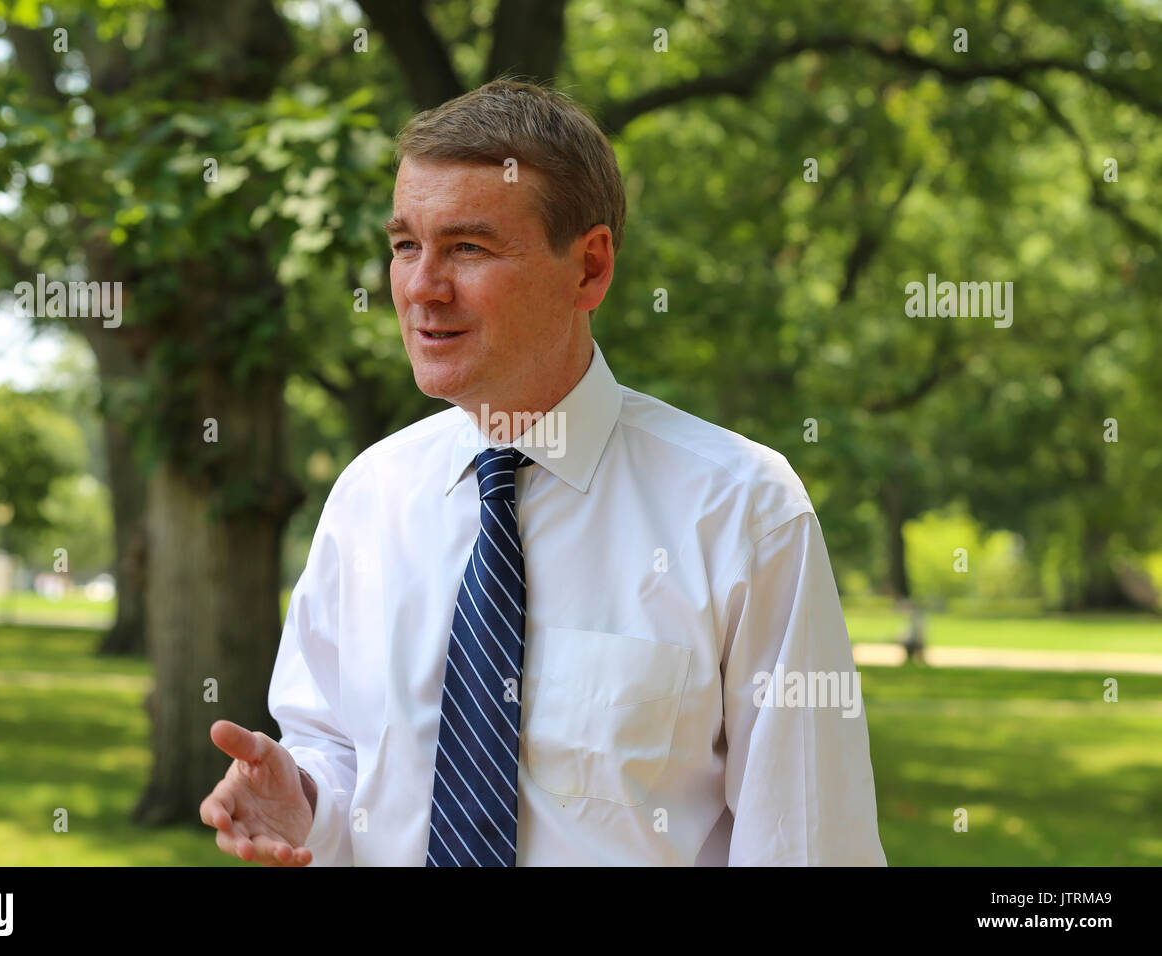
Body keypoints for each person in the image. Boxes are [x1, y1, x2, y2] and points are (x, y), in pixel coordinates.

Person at [200, 79, 887, 866]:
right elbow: (340, 748)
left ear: (589, 268)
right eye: (403, 245)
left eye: (468, 247)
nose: (422, 286)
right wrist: (307, 798)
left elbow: (806, 842)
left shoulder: (742, 510)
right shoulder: (369, 496)